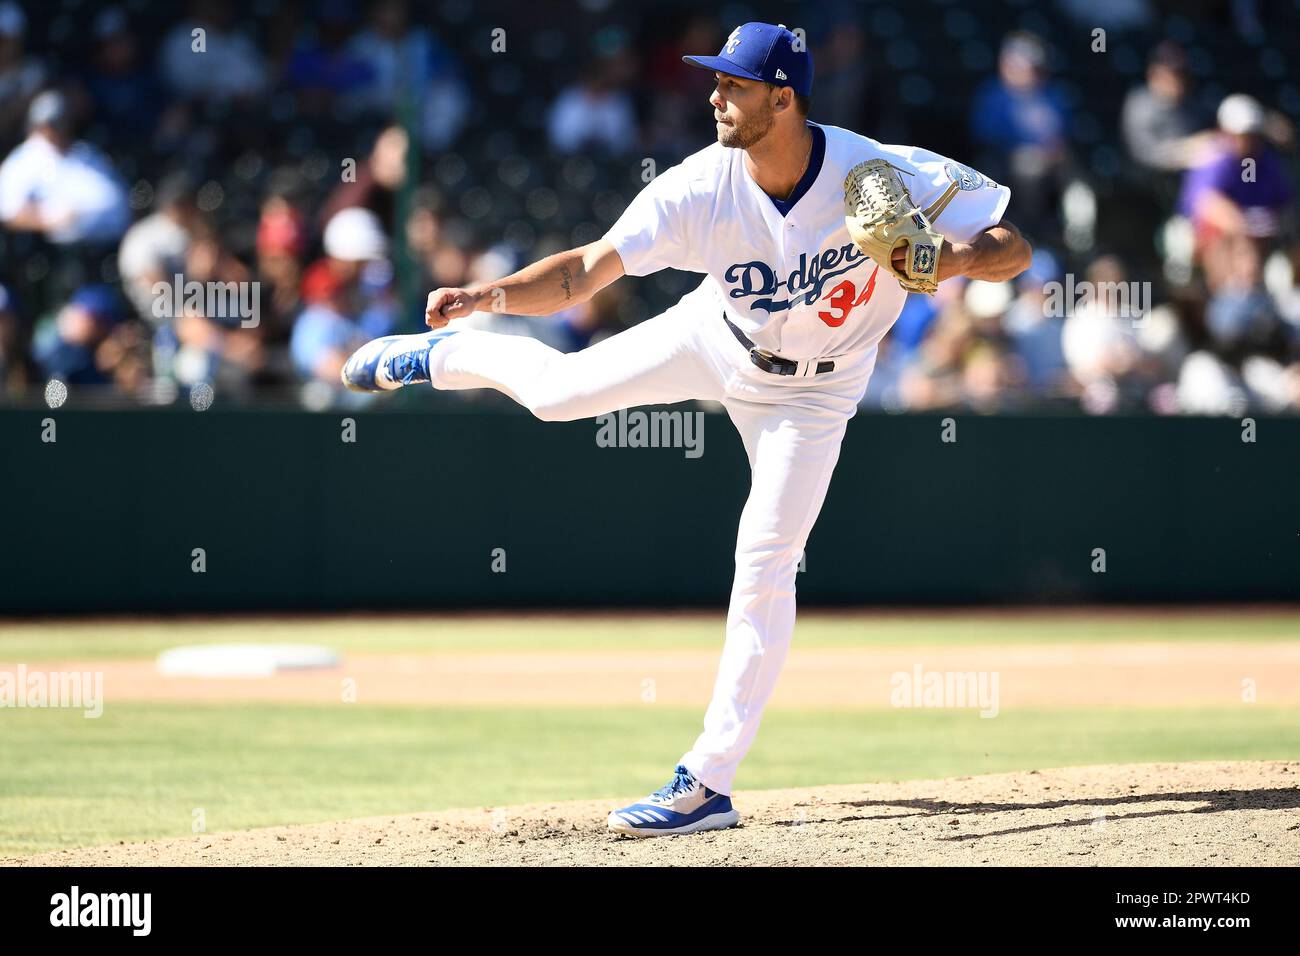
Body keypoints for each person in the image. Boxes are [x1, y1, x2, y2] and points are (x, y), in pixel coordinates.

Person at [341, 22, 1030, 837]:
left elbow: (1013, 247)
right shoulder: (698, 187)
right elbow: (587, 269)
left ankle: (706, 782)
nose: (714, 95)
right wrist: (489, 297)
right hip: (714, 336)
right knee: (557, 393)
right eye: (716, 81)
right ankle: (454, 357)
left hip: (818, 394)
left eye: (734, 84)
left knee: (765, 563)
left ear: (784, 97)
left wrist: (942, 263)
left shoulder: (882, 172)